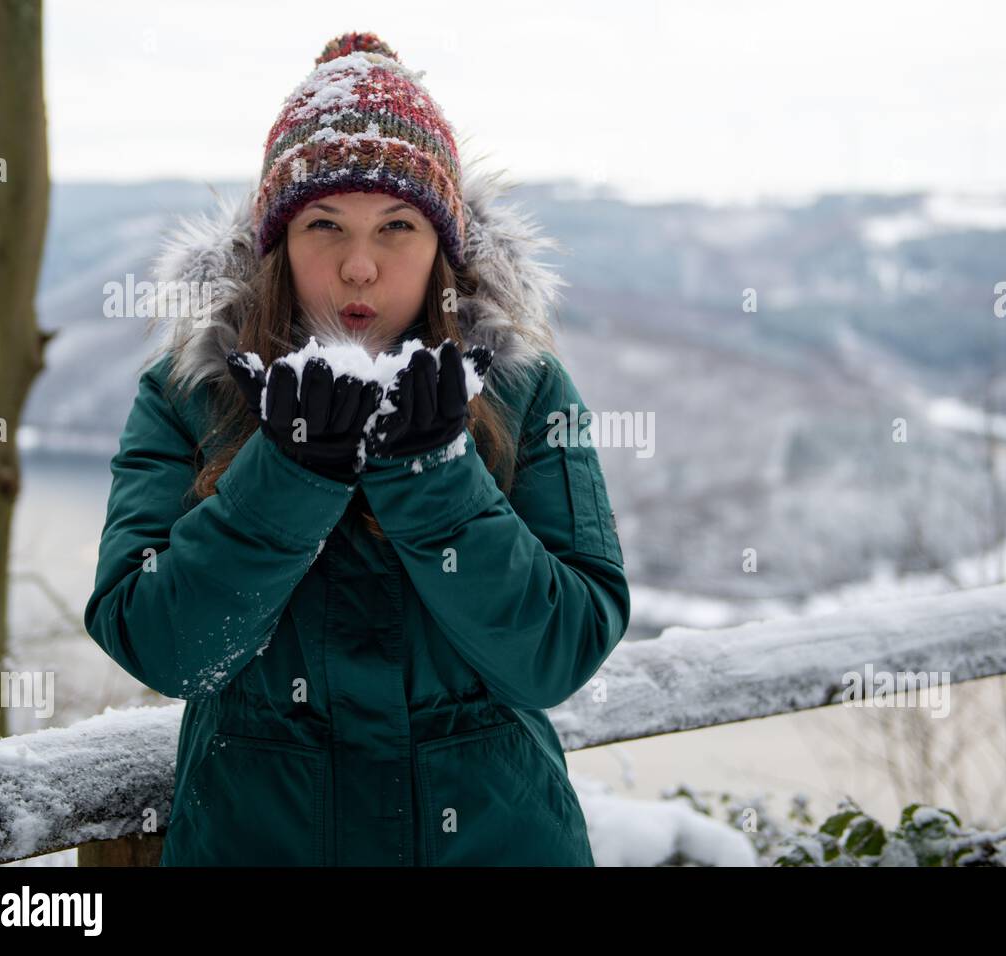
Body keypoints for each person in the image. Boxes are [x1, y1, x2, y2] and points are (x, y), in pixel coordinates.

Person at [83, 31, 629, 866]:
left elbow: (559, 652)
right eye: (324, 224)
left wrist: (436, 475)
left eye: (399, 225)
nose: (360, 267)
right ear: (277, 245)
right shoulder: (191, 398)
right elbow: (164, 648)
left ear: (444, 247)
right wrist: (290, 476)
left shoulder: (525, 392)